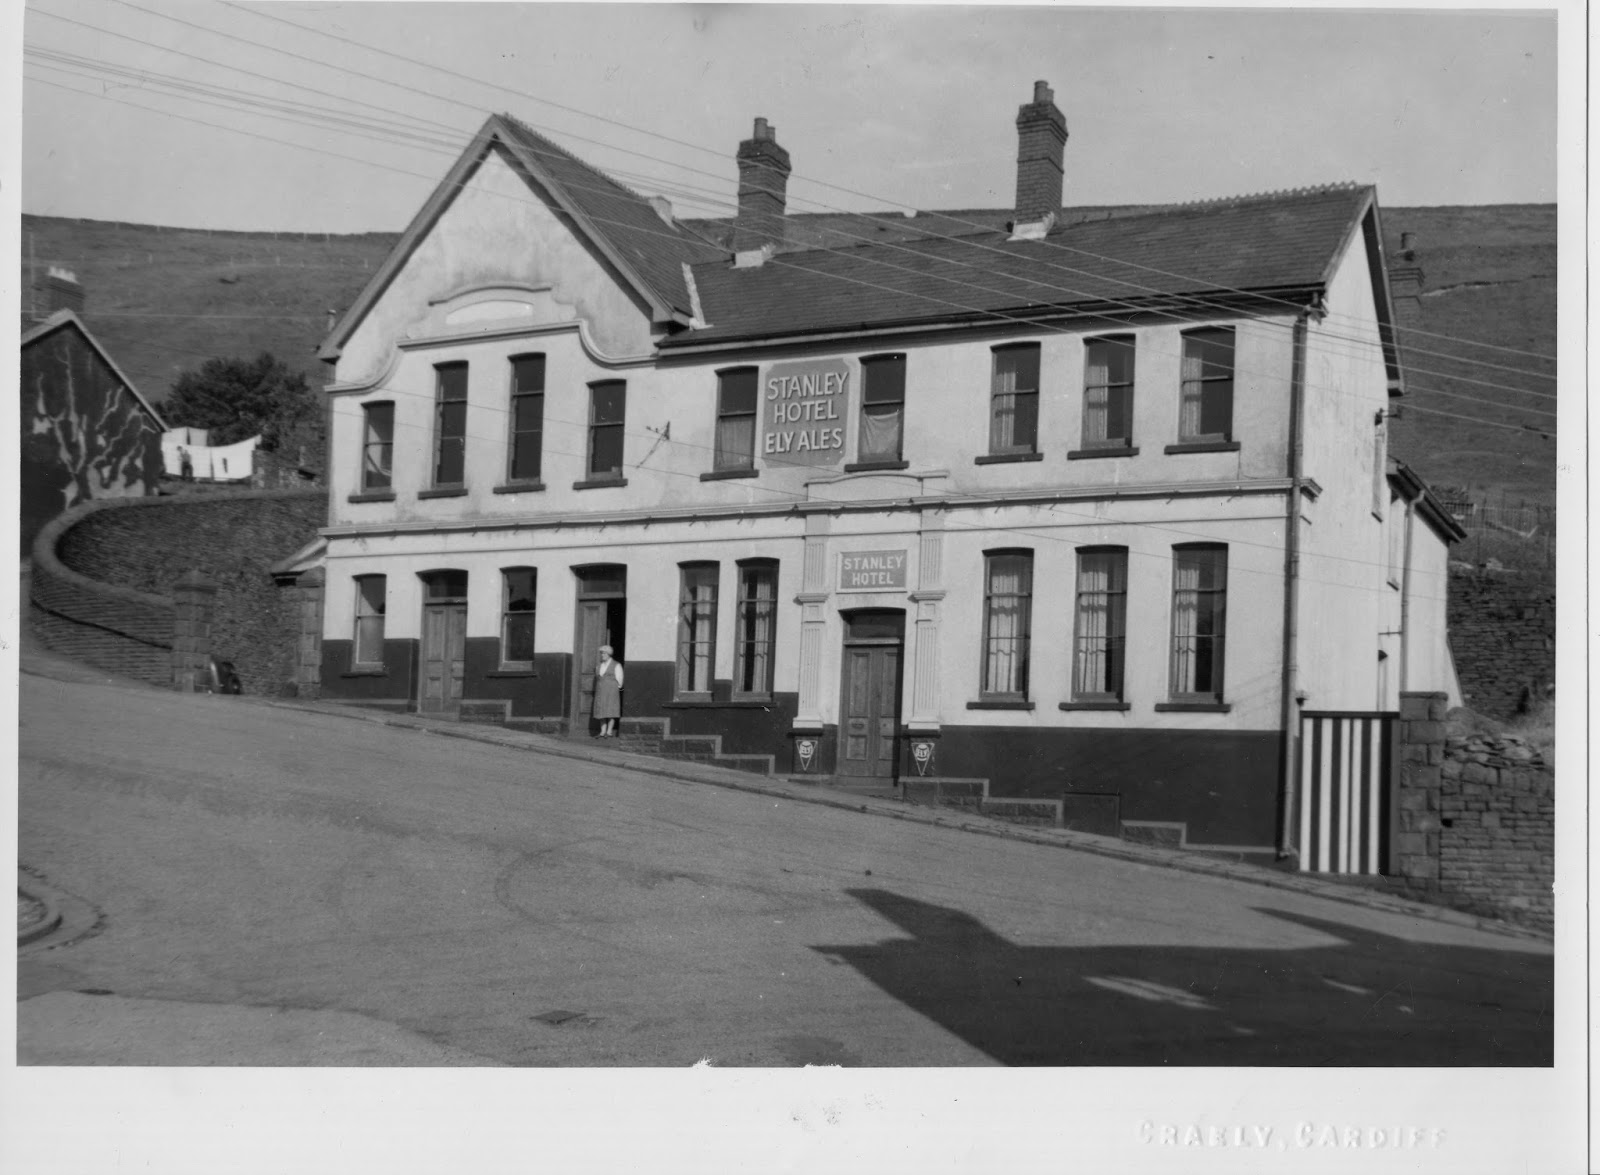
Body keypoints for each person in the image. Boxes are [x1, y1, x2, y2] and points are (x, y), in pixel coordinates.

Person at [593, 644, 624, 737]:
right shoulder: (599, 666)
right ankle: (602, 731)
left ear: (609, 654)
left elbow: (620, 680)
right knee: (601, 711)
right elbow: (597, 678)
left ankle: (609, 731)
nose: (602, 655)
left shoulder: (616, 665)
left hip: (611, 691)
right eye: (601, 653)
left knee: (611, 710)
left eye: (604, 653)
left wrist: (613, 687)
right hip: (600, 691)